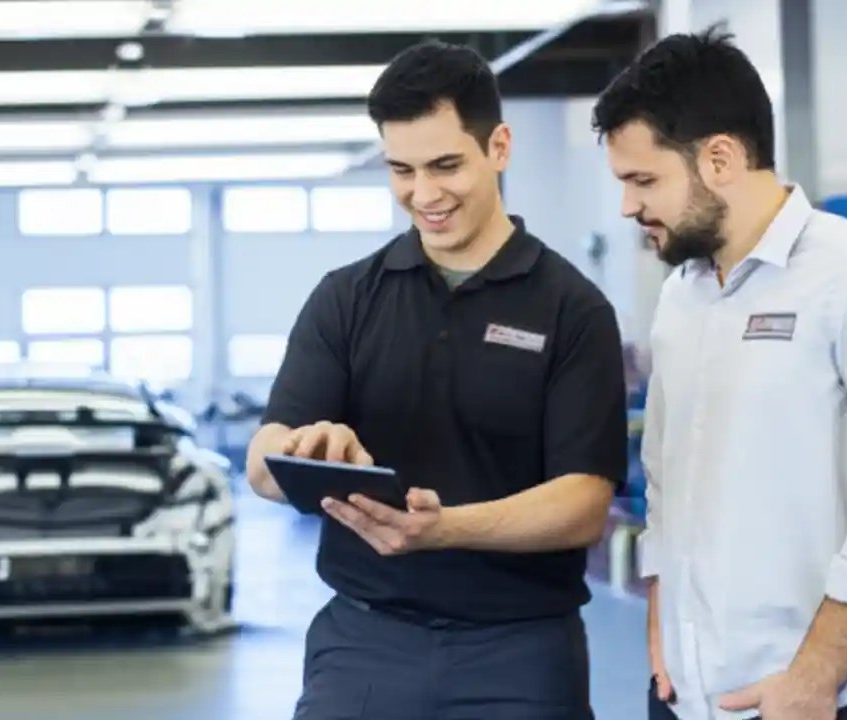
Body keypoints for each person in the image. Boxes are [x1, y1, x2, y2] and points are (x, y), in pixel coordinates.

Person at [245, 39, 629, 719]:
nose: (424, 194)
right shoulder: (346, 298)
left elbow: (583, 505)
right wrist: (307, 450)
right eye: (401, 169)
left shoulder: (572, 309)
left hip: (519, 652)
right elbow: (263, 463)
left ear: (499, 148)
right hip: (363, 642)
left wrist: (444, 527)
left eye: (446, 165)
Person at [589, 26, 847, 720]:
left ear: (721, 158)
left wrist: (812, 679)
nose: (628, 207)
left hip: (830, 700)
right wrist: (660, 623)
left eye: (643, 180)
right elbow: (669, 482)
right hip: (689, 695)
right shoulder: (683, 295)